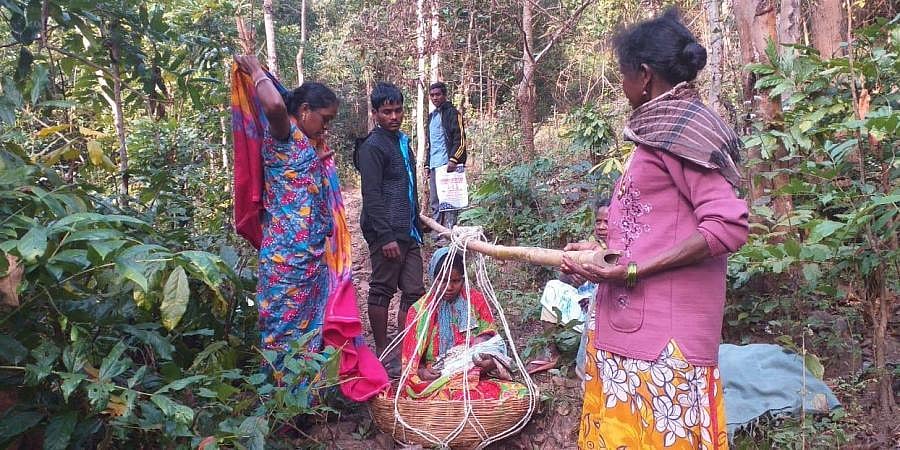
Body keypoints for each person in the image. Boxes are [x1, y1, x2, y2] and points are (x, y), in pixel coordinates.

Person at [560, 9, 748, 449]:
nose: (622, 87)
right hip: (633, 337)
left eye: (623, 75)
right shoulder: (663, 131)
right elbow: (654, 228)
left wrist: (631, 271)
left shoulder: (681, 134)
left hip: (663, 349)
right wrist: (601, 251)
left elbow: (728, 226)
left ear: (644, 76)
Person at [232, 55, 340, 377]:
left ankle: (303, 404)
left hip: (307, 259)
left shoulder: (303, 143)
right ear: (304, 110)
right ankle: (281, 411)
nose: (326, 126)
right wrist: (256, 71)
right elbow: (277, 107)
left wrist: (317, 159)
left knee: (307, 334)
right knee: (283, 337)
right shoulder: (283, 134)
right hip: (287, 260)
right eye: (325, 118)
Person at [355, 82, 426, 369]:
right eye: (387, 112)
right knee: (382, 289)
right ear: (375, 114)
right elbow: (371, 194)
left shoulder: (402, 142)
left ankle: (406, 345)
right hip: (386, 233)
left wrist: (418, 220)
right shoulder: (373, 147)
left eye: (398, 111)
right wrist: (385, 237)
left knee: (414, 291)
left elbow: (407, 187)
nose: (393, 117)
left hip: (407, 231)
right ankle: (384, 351)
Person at [399, 249, 523, 400]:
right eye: (443, 281)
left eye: (456, 281)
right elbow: (410, 361)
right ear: (433, 277)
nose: (449, 287)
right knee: (443, 398)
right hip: (436, 378)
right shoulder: (419, 310)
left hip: (473, 375)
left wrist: (490, 363)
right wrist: (422, 372)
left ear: (463, 280)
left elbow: (493, 343)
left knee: (510, 394)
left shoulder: (475, 301)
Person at [526, 197, 609, 375]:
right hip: (582, 301)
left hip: (604, 304)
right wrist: (571, 274)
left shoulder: (623, 248)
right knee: (553, 287)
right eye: (598, 222)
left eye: (607, 222)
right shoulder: (589, 247)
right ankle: (552, 354)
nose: (601, 226)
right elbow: (564, 277)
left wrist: (584, 272)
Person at [424, 81, 467, 231]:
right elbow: (432, 143)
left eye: (438, 94)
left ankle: (450, 235)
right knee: (435, 202)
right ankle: (438, 235)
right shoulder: (431, 117)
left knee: (450, 202)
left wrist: (454, 159)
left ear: (444, 95)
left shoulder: (453, 113)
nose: (435, 98)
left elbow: (460, 139)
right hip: (436, 166)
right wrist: (428, 165)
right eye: (432, 95)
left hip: (449, 165)